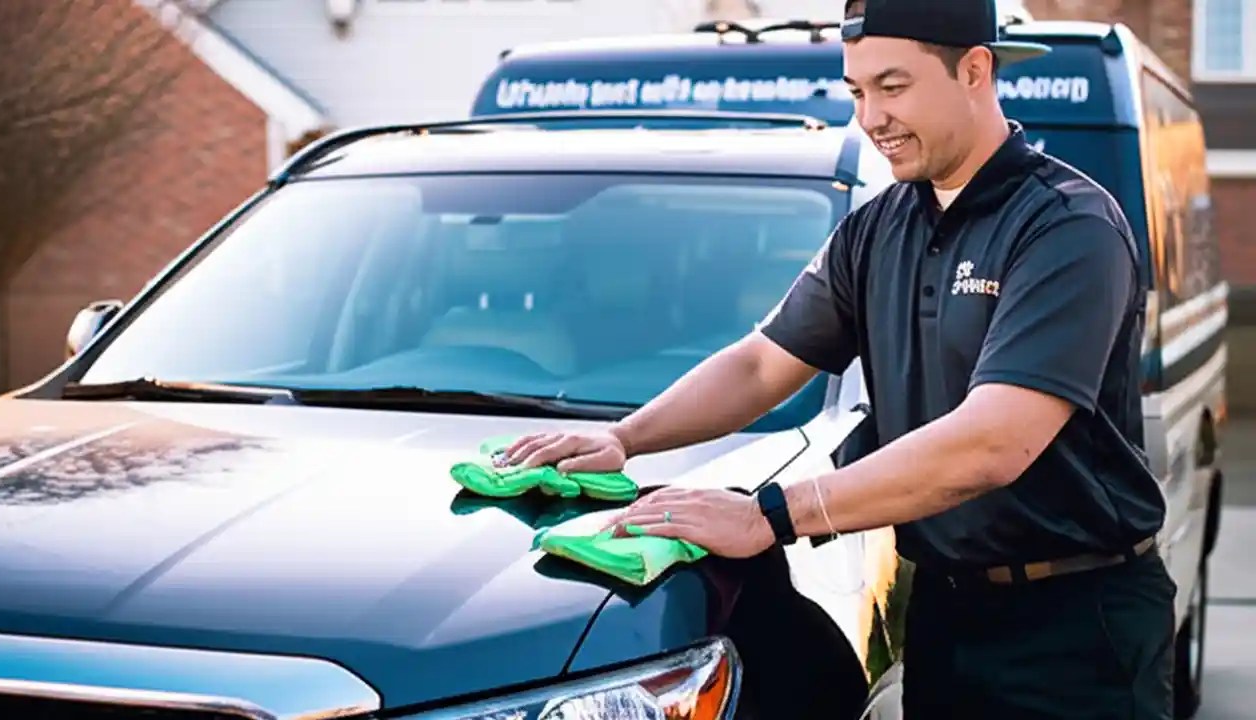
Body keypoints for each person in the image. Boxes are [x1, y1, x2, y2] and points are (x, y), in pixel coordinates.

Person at [498, 0, 1176, 716]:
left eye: (893, 86)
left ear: (975, 70)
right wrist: (625, 439)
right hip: (945, 611)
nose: (871, 117)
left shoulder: (1066, 225)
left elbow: (994, 442)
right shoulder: (879, 227)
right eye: (856, 91)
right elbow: (762, 364)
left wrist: (771, 515)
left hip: (1079, 628)